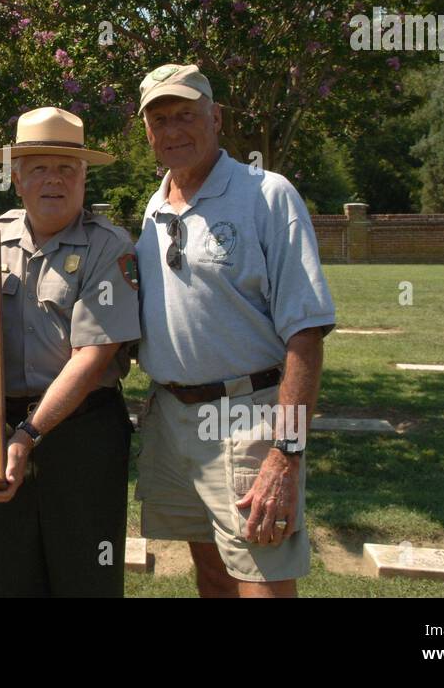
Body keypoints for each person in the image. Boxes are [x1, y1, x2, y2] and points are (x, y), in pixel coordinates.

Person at [133, 64, 336, 598]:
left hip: (249, 419)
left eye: (186, 115)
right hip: (173, 417)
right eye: (160, 120)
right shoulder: (155, 206)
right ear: (147, 133)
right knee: (214, 572)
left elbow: (306, 334)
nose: (173, 131)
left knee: (262, 578)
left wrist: (285, 453)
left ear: (216, 118)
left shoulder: (267, 195)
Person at [0, 106, 141, 597]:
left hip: (82, 435)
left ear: (84, 177)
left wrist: (28, 434)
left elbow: (91, 358)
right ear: (16, 177)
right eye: (39, 167)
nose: (54, 180)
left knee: (85, 577)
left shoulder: (109, 247)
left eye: (67, 168)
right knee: (7, 577)